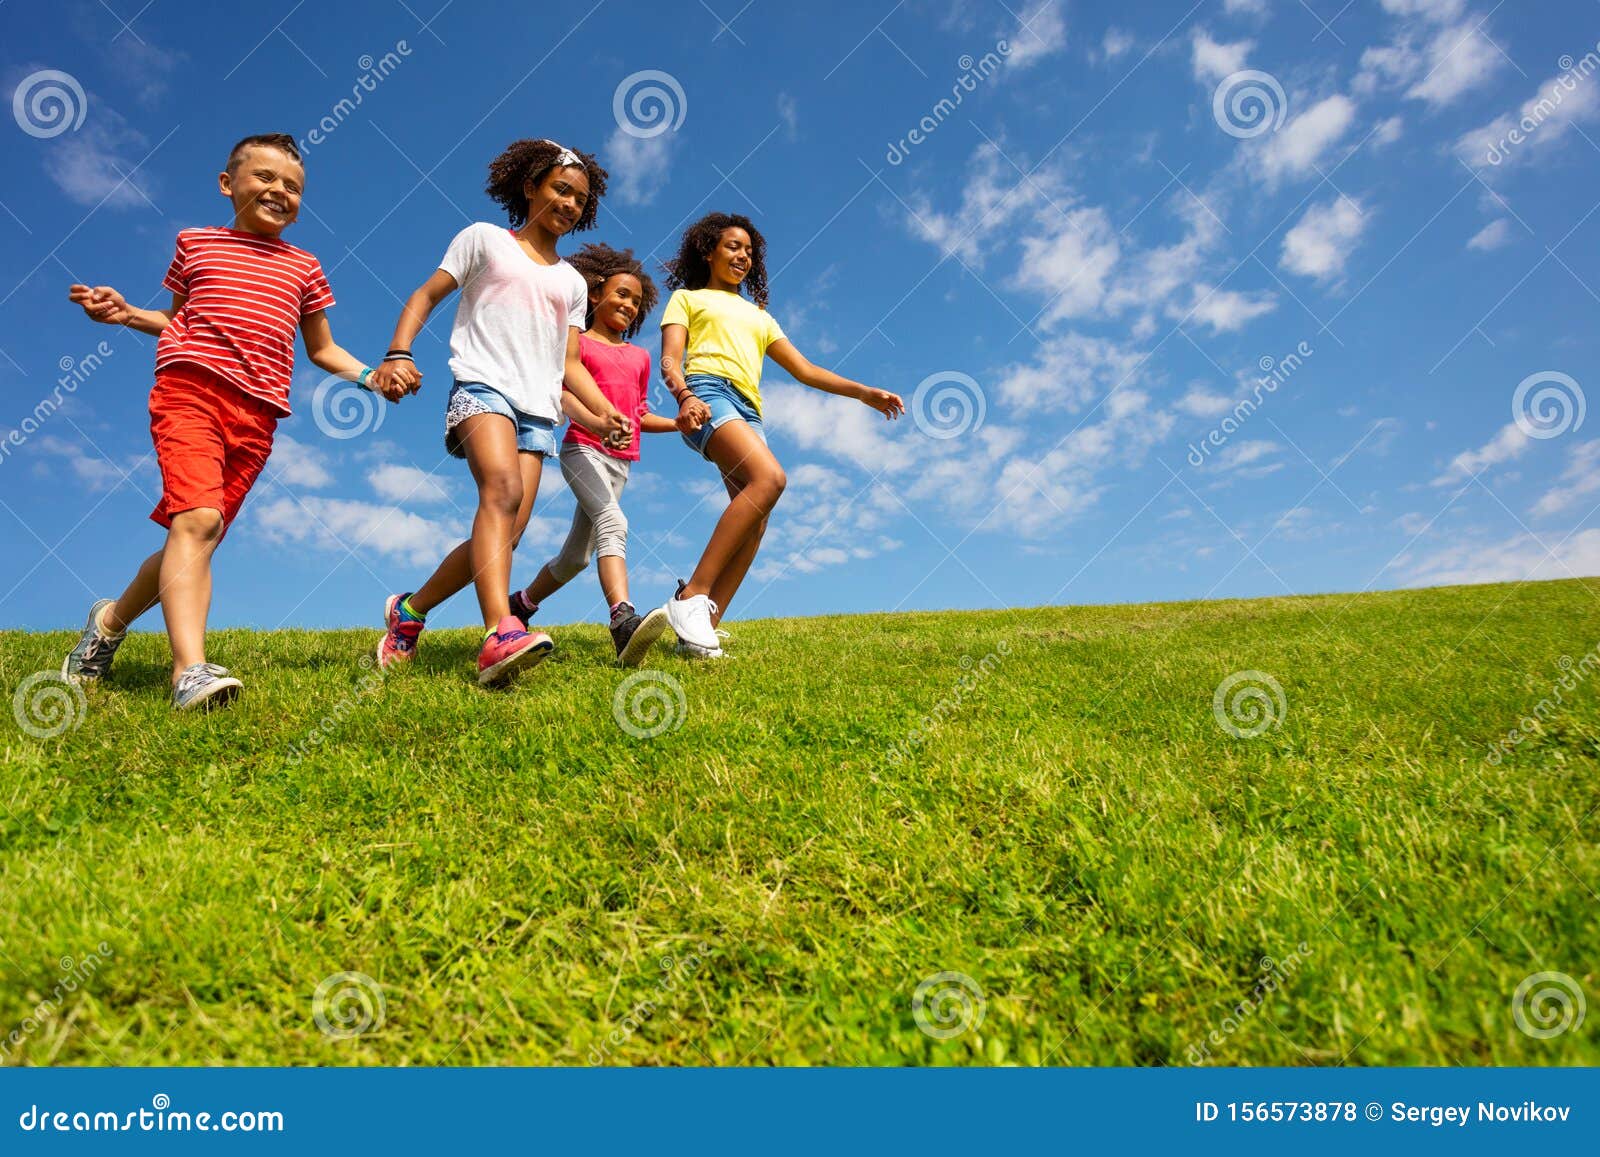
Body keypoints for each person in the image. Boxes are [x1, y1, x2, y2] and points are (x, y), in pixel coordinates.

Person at [62, 133, 389, 710]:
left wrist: (370, 376)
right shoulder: (196, 244)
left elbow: (321, 349)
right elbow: (173, 318)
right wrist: (125, 313)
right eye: (264, 177)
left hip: (259, 416)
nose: (279, 191)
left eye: (292, 186)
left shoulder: (305, 267)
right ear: (227, 183)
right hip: (189, 391)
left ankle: (107, 625)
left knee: (195, 536)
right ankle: (189, 672)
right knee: (201, 520)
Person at [657, 212, 904, 658]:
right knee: (770, 479)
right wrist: (684, 395)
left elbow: (805, 370)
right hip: (709, 395)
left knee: (756, 518)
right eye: (733, 246)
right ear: (708, 250)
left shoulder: (760, 316)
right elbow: (671, 359)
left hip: (749, 410)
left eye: (749, 252)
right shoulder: (687, 299)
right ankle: (690, 596)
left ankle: (701, 631)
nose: (742, 256)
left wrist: (863, 392)